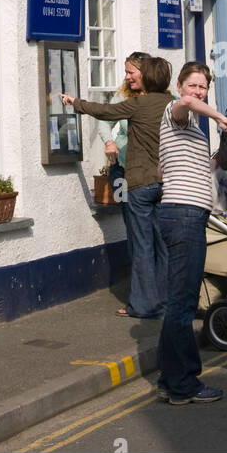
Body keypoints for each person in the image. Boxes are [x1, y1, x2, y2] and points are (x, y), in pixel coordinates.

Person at [63, 55, 171, 318]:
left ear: (146, 75)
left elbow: (104, 112)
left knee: (141, 245)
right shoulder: (172, 103)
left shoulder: (137, 104)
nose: (127, 77)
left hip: (138, 184)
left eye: (132, 72)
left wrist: (74, 102)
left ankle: (143, 305)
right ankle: (165, 302)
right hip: (164, 183)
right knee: (163, 244)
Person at [156, 62, 227, 405]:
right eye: (194, 85)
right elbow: (185, 105)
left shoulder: (190, 130)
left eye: (204, 87)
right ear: (180, 85)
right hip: (183, 216)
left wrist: (218, 159)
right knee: (183, 305)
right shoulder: (176, 112)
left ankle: (168, 378)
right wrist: (216, 116)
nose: (199, 92)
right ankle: (183, 384)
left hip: (188, 214)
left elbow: (167, 168)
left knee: (178, 302)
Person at [103, 51, 145, 195]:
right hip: (122, 169)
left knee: (144, 215)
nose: (127, 77)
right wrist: (109, 143)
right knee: (128, 212)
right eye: (126, 72)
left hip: (152, 174)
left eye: (131, 72)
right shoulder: (122, 96)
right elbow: (105, 120)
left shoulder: (161, 98)